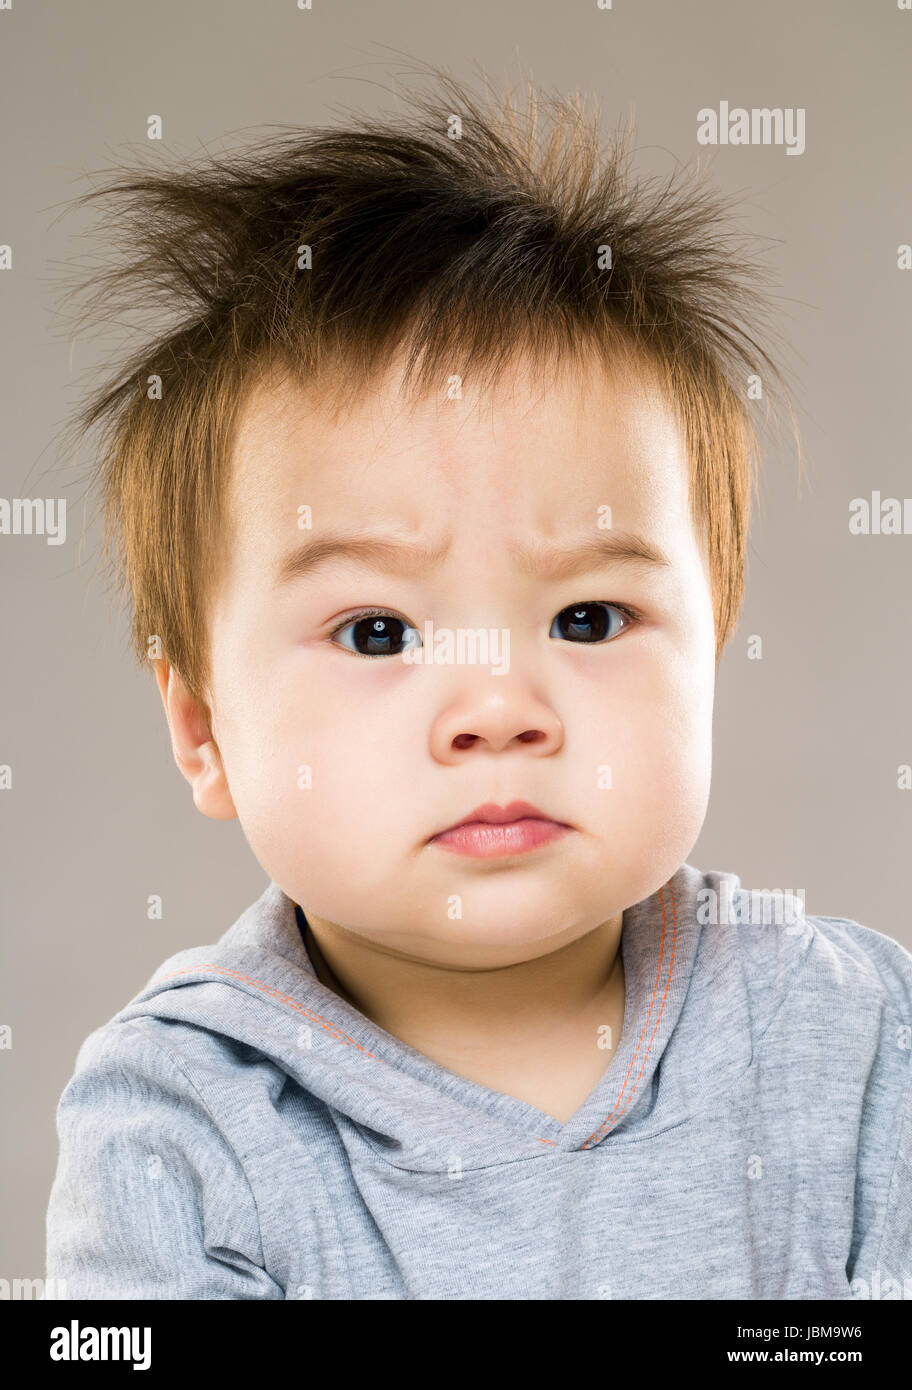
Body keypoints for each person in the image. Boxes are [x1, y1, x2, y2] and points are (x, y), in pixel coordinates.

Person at [45, 66, 912, 1300]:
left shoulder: (852, 1035)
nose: (499, 708)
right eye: (380, 634)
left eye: (589, 615)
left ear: (711, 646)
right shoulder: (186, 1126)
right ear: (202, 727)